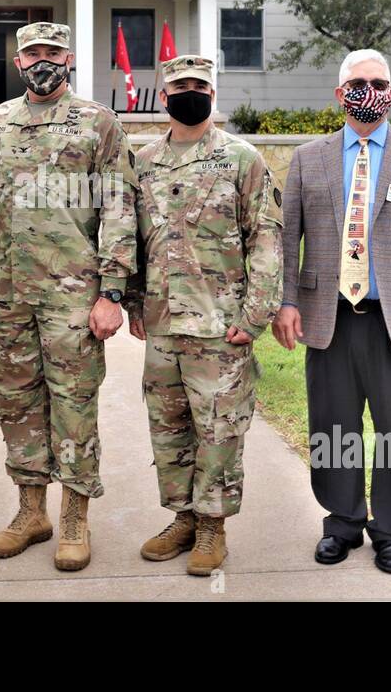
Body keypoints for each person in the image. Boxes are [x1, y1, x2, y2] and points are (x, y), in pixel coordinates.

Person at [273, 49, 391, 574]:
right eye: (359, 83)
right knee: (333, 428)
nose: (370, 91)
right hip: (329, 318)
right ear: (340, 94)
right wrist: (286, 301)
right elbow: (287, 241)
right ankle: (342, 522)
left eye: (379, 83)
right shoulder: (308, 158)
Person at [0, 21, 137, 571]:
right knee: (16, 402)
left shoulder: (98, 121)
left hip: (73, 294)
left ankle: (73, 515)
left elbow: (119, 208)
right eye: (32, 53)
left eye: (52, 52)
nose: (42, 60)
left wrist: (112, 291)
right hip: (7, 293)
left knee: (73, 404)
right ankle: (30, 511)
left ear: (68, 59)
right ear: (18, 61)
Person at [125, 55, 283, 576]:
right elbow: (131, 239)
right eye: (179, 86)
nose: (189, 92)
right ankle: (184, 518)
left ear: (212, 94)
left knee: (219, 429)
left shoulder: (241, 159)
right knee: (168, 426)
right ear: (163, 96)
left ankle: (213, 525)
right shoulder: (143, 161)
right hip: (162, 322)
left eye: (199, 84)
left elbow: (265, 238)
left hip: (220, 324)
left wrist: (256, 314)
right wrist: (133, 303)